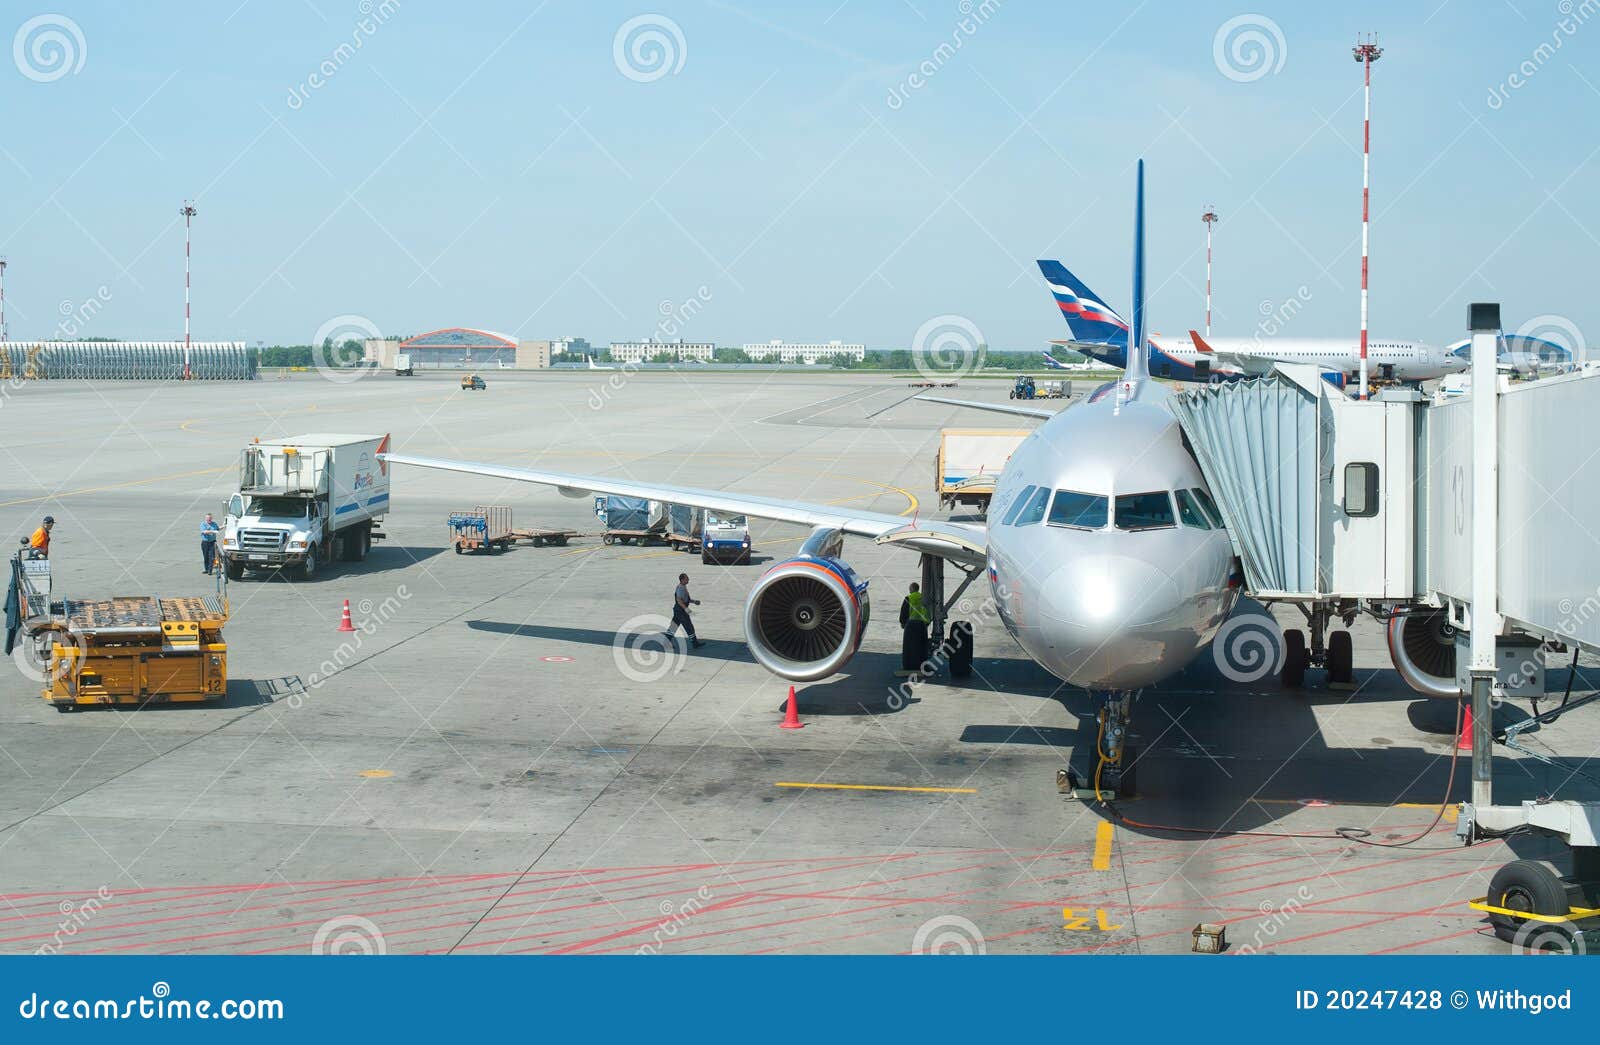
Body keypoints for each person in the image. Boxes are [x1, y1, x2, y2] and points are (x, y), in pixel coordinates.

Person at [898, 581, 932, 675]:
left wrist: (902, 623)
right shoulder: (923, 598)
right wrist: (927, 623)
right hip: (922, 625)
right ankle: (922, 665)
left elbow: (904, 611)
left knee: (909, 647)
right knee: (922, 646)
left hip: (911, 625)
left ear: (912, 589)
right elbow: (928, 611)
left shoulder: (909, 598)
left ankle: (908, 665)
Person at [664, 572, 704, 648]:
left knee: (674, 626)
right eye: (686, 578)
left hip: (678, 610)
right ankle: (694, 643)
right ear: (682, 580)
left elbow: (685, 599)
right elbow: (679, 600)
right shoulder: (680, 588)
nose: (688, 579)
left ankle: (666, 642)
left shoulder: (683, 587)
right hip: (681, 610)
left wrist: (694, 601)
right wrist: (686, 608)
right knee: (688, 626)